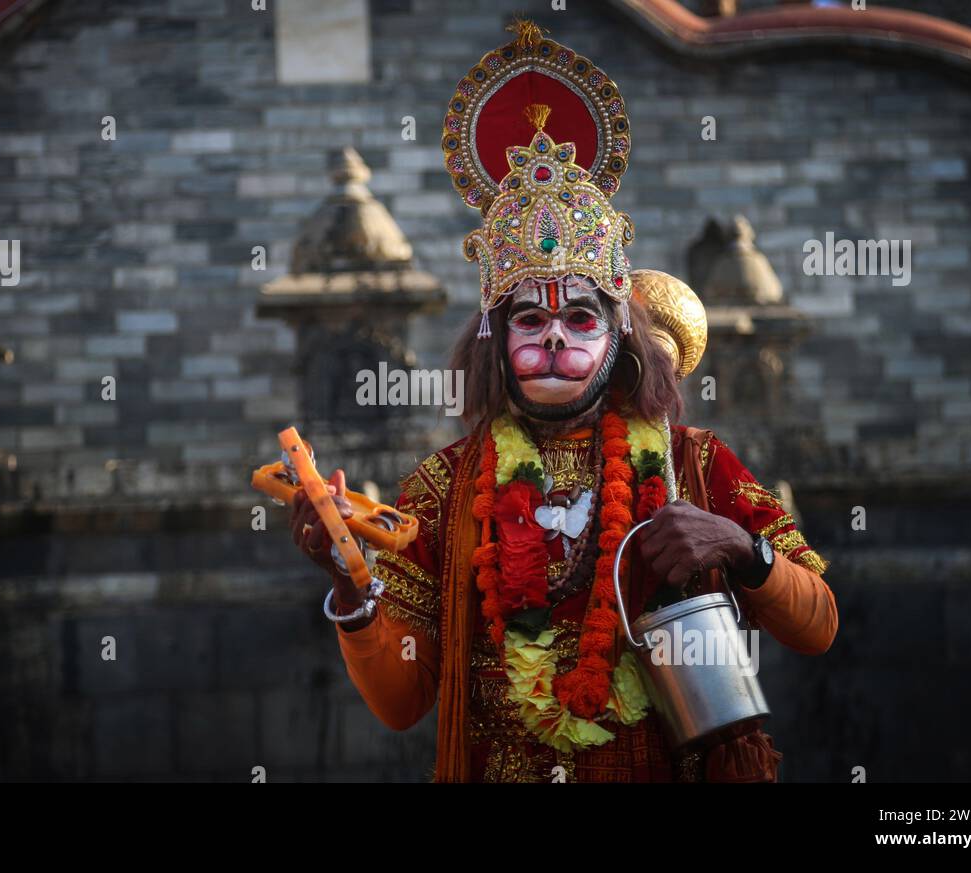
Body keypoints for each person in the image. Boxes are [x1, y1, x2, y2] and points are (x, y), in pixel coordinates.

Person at [289, 20, 836, 782]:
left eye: (580, 317)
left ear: (620, 337)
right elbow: (400, 699)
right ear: (494, 339)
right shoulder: (445, 490)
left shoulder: (693, 464)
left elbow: (817, 624)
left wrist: (742, 550)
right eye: (529, 318)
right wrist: (350, 586)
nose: (553, 340)